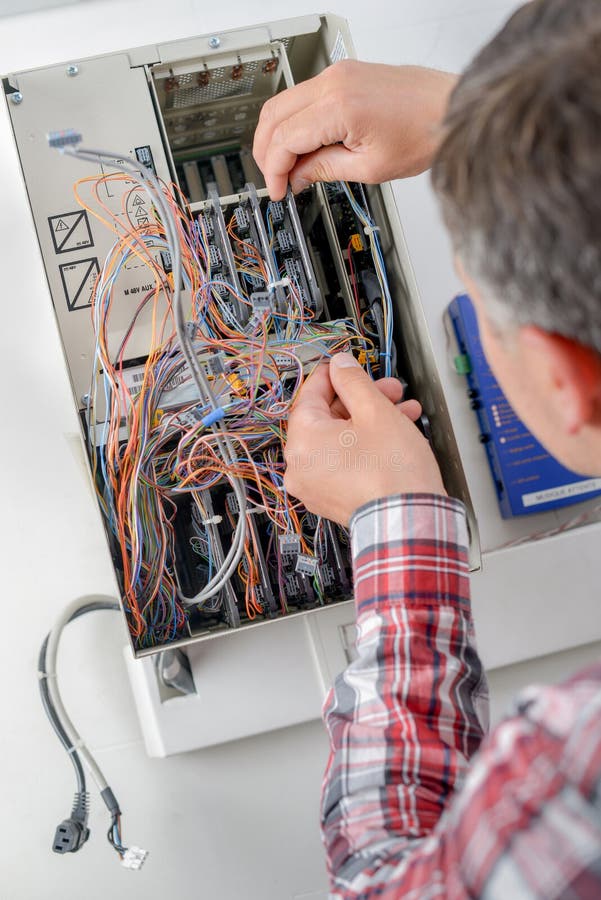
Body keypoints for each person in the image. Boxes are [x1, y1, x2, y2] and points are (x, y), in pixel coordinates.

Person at [253, 0, 601, 897]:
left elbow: (386, 882)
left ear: (572, 385)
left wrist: (394, 522)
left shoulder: (578, 759)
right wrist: (490, 125)